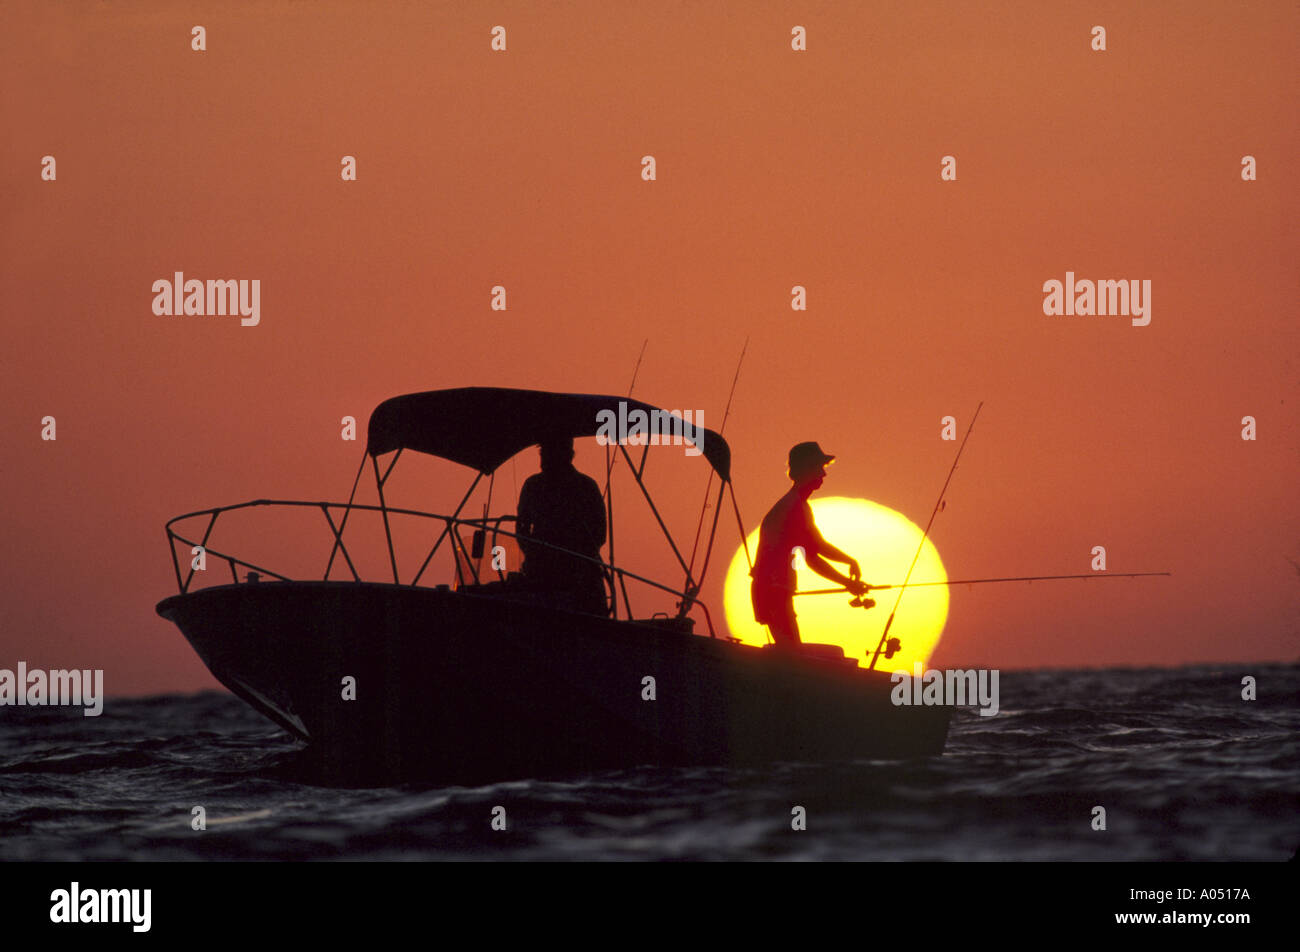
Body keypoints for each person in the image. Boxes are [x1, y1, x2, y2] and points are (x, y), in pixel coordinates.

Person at [750, 441, 871, 648]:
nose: (824, 474)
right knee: (791, 657)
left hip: (774, 590)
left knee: (790, 654)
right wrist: (847, 583)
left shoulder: (798, 505)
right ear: (806, 469)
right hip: (773, 592)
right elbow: (812, 558)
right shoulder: (794, 507)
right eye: (819, 468)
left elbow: (818, 545)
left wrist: (849, 561)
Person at [516, 436, 608, 614]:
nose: (544, 460)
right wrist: (535, 556)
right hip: (539, 577)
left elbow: (599, 534)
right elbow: (521, 529)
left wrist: (572, 557)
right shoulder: (532, 485)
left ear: (567, 455)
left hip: (581, 580)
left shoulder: (586, 487)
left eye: (550, 454)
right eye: (543, 453)